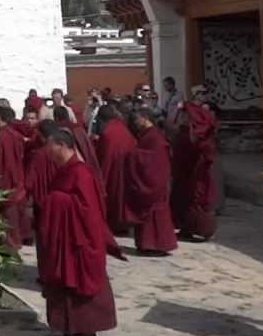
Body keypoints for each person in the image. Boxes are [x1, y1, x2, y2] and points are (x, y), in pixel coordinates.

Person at [39, 129, 120, 336]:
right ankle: (77, 328)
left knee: (79, 281)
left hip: (80, 240)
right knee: (66, 281)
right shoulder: (65, 170)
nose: (47, 151)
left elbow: (89, 210)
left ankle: (84, 329)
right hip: (66, 239)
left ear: (62, 145)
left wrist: (56, 200)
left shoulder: (81, 173)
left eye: (50, 146)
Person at [126, 108, 178, 256]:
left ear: (145, 118)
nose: (135, 122)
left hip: (155, 182)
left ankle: (157, 246)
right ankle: (146, 245)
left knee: (155, 215)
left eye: (137, 119)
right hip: (149, 181)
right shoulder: (146, 134)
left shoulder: (155, 136)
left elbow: (154, 159)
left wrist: (133, 154)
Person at [171, 101, 219, 240]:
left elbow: (202, 152)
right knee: (183, 200)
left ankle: (203, 231)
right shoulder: (185, 131)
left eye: (183, 115)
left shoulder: (197, 133)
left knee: (195, 201)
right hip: (184, 172)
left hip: (194, 173)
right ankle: (186, 229)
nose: (181, 117)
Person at [0, 106, 27, 251]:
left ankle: (10, 245)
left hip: (6, 180)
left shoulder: (2, 136)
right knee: (14, 215)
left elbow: (1, 161)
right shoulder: (15, 134)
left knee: (7, 216)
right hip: (17, 178)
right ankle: (15, 242)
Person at [95, 104, 137, 235]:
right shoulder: (123, 128)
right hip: (127, 169)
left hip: (113, 170)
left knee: (115, 197)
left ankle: (115, 225)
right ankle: (123, 225)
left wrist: (101, 177)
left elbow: (105, 157)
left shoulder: (107, 133)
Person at [54, 106, 101, 183]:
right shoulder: (78, 127)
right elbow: (87, 147)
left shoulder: (58, 130)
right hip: (85, 163)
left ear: (56, 118)